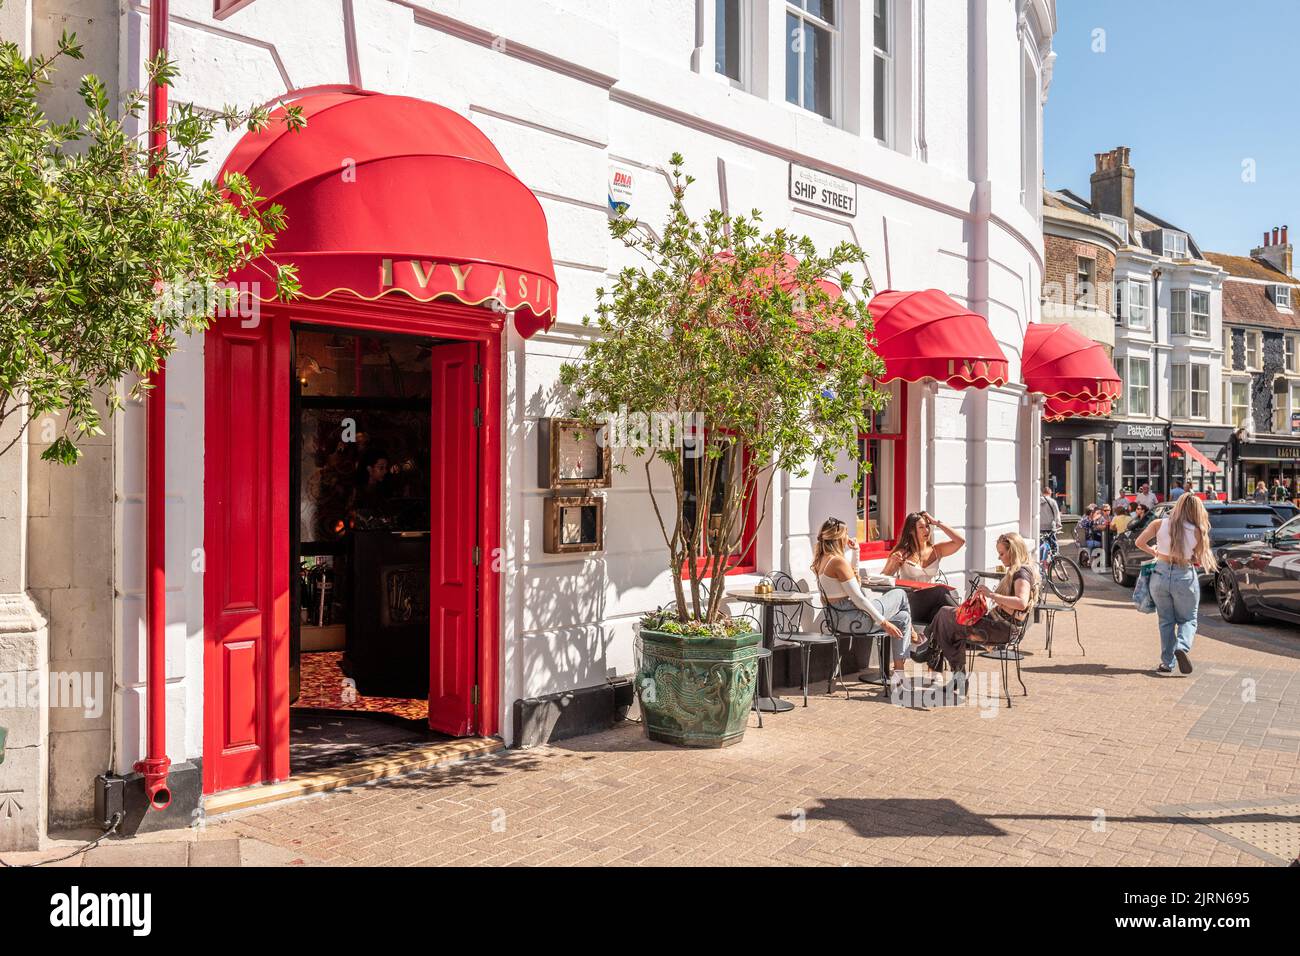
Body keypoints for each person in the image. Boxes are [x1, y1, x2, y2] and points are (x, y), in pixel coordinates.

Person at [917, 532, 1040, 693]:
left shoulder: (1021, 573)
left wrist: (992, 595)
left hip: (999, 629)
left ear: (1013, 551)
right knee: (949, 625)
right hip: (999, 626)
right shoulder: (1023, 571)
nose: (999, 558)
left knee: (944, 615)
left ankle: (931, 648)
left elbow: (1021, 602)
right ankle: (935, 652)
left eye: (1002, 553)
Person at [813, 517, 914, 692]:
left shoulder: (823, 559)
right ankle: (913, 636)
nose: (848, 537)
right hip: (854, 619)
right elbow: (859, 598)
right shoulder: (838, 561)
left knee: (903, 618)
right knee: (900, 594)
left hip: (839, 618)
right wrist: (883, 622)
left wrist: (857, 552)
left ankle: (899, 675)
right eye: (846, 533)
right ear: (838, 537)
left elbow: (854, 585)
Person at [1134, 493, 1217, 676]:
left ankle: (1166, 663)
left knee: (1166, 621)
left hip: (1160, 574)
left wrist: (1154, 552)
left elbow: (1139, 542)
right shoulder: (1197, 530)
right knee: (1188, 619)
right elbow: (1198, 557)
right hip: (1184, 574)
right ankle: (1182, 646)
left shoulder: (1158, 524)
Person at [881, 511, 964, 627]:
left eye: (927, 526)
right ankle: (968, 620)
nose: (926, 530)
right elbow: (883, 578)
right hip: (910, 604)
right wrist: (892, 563)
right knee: (941, 591)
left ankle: (963, 639)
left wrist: (937, 523)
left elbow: (960, 541)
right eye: (921, 527)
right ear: (911, 531)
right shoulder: (902, 553)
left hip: (930, 606)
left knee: (944, 613)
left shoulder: (936, 550)